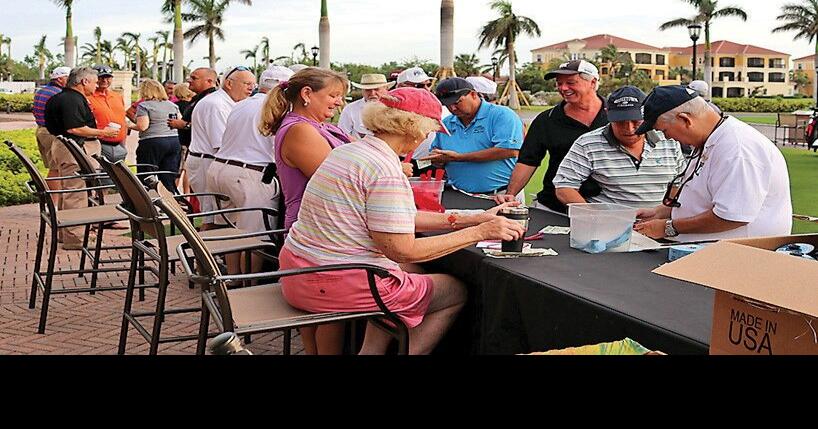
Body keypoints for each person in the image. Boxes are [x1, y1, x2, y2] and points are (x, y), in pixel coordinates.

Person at [278, 87, 526, 355]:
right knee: (454, 291)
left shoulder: (349, 152)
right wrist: (480, 232)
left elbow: (399, 219)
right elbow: (402, 249)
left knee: (409, 270)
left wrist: (474, 219)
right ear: (413, 127)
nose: (427, 136)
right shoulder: (384, 170)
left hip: (297, 272)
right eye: (429, 128)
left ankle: (370, 352)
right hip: (333, 283)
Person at [633, 85, 792, 242]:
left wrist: (668, 227)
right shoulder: (712, 138)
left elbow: (732, 217)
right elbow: (702, 197)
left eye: (664, 130)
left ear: (685, 120)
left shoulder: (737, 149)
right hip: (715, 253)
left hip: (739, 257)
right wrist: (661, 212)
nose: (667, 138)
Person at [206, 66, 292, 273]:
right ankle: (248, 284)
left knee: (232, 232)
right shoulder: (279, 108)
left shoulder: (241, 104)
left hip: (220, 170)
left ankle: (233, 280)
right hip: (250, 175)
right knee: (254, 238)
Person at [494, 60, 608, 213]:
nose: (563, 88)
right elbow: (528, 161)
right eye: (559, 83)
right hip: (554, 208)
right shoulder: (546, 120)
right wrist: (511, 194)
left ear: (592, 83)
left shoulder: (615, 118)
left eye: (570, 82)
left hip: (607, 209)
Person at [553, 86, 685, 208]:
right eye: (620, 122)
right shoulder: (588, 144)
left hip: (656, 223)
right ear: (607, 114)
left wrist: (665, 212)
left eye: (636, 121)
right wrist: (593, 217)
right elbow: (564, 187)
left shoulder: (668, 140)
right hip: (609, 224)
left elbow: (679, 182)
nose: (629, 128)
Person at [259, 67, 350, 231]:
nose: (339, 102)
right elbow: (338, 180)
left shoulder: (321, 127)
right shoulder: (301, 131)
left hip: (328, 223)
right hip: (315, 228)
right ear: (307, 94)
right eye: (333, 95)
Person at [44, 67, 119, 250]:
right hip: (74, 148)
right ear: (84, 81)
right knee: (76, 192)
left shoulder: (60, 97)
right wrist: (103, 132)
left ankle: (65, 234)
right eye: (94, 82)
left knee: (68, 191)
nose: (96, 86)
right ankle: (76, 239)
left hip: (66, 147)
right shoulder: (72, 99)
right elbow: (75, 129)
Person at [423, 77, 523, 195]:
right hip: (458, 194)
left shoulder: (501, 115)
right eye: (447, 105)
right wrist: (437, 160)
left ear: (473, 94)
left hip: (500, 194)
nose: (452, 108)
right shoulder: (446, 123)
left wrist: (459, 157)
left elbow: (509, 150)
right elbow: (436, 154)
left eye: (457, 102)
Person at [186, 66, 255, 230]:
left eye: (253, 83)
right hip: (207, 163)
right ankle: (206, 255)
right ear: (229, 84)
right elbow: (222, 144)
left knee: (216, 217)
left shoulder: (224, 102)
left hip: (207, 161)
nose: (251, 88)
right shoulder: (217, 105)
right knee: (211, 219)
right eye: (247, 83)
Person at [167, 68, 219, 196]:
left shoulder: (211, 101)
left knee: (205, 201)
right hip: (194, 152)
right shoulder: (199, 99)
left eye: (194, 78)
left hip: (205, 157)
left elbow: (211, 129)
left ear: (209, 81)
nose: (189, 80)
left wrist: (184, 125)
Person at [127, 79, 182, 192]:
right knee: (167, 175)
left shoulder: (144, 106)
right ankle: (172, 200)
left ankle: (144, 200)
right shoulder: (172, 105)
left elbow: (143, 126)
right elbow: (179, 121)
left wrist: (129, 126)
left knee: (146, 173)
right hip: (173, 141)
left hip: (152, 141)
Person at [33, 66, 71, 201]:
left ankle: (54, 202)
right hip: (51, 133)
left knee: (53, 167)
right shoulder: (58, 94)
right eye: (68, 77)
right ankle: (53, 203)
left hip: (41, 130)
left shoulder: (42, 91)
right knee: (56, 169)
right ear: (60, 79)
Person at [88, 65, 128, 165]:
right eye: (100, 77)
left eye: (108, 77)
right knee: (101, 177)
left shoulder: (117, 96)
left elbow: (123, 120)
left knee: (118, 178)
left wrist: (123, 145)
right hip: (99, 144)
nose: (104, 80)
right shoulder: (88, 97)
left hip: (119, 146)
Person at [338, 73, 395, 139]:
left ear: (386, 89)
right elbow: (342, 135)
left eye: (377, 89)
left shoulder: (395, 107)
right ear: (362, 91)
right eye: (368, 90)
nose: (372, 93)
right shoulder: (350, 109)